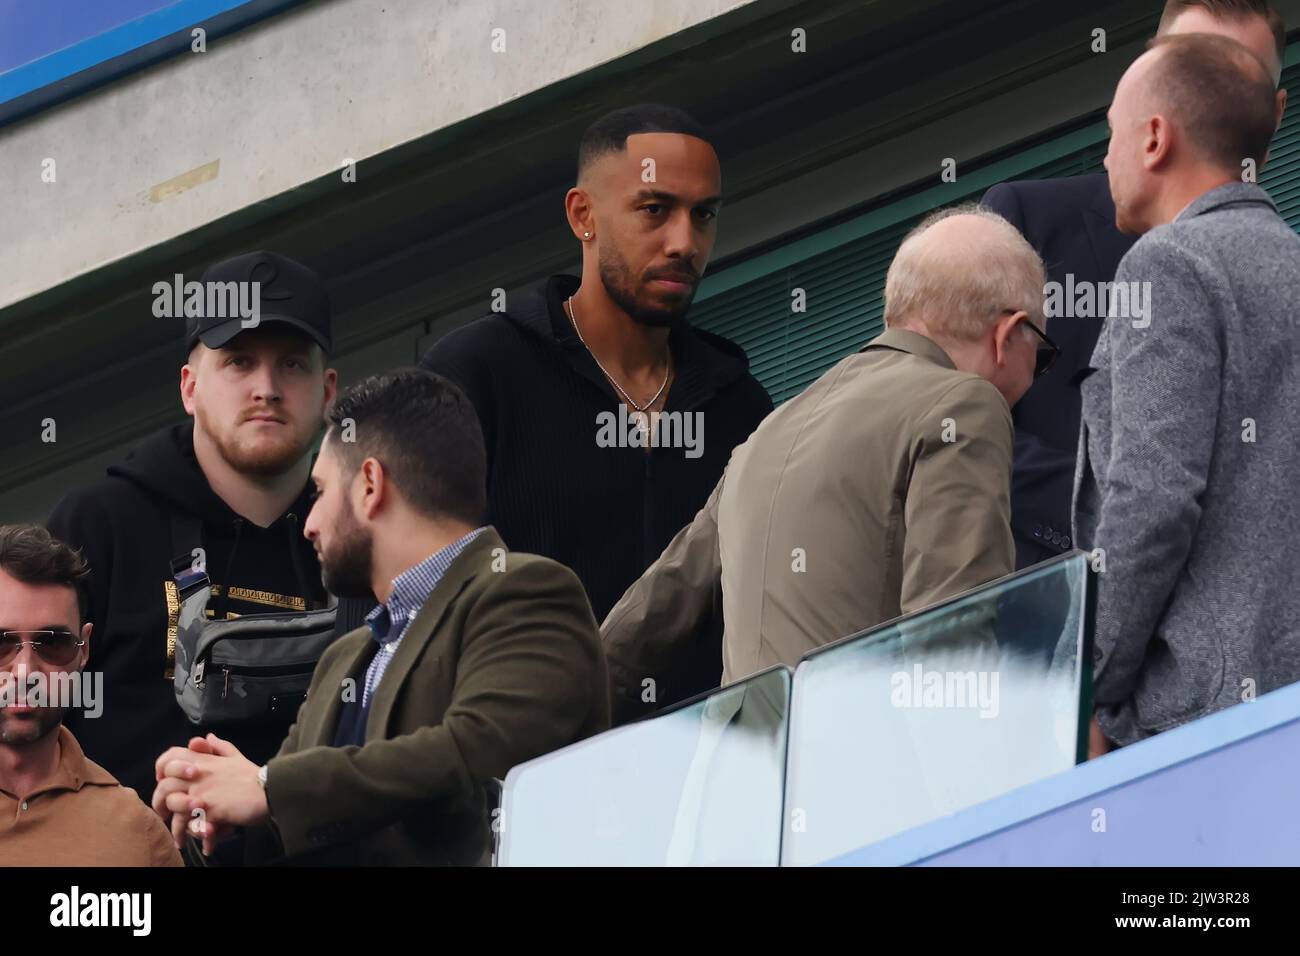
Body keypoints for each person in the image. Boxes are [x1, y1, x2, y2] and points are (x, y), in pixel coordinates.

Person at [331, 104, 772, 711]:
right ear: (582, 215)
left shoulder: (739, 406)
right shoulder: (477, 373)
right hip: (511, 776)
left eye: (704, 215)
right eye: (654, 209)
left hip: (703, 772)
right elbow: (376, 584)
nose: (684, 242)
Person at [603, 205, 1049, 724]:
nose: (1038, 377)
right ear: (1009, 332)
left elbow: (634, 632)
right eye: (1044, 355)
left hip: (728, 792)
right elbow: (950, 638)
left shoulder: (764, 437)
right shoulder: (964, 403)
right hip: (866, 785)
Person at [152, 369, 609, 865]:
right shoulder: (343, 659)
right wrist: (214, 810)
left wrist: (268, 785)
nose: (308, 525)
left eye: (320, 492)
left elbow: (477, 753)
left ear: (370, 484)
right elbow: (292, 820)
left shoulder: (526, 592)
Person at [983, 0, 1287, 570]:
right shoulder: (1027, 222)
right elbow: (964, 428)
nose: (1215, 93)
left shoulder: (1279, 276)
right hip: (1051, 604)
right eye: (1192, 66)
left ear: (1272, 109)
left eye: (1237, 73)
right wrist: (1106, 534)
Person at [46, 252, 337, 804]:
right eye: (239, 362)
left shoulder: (364, 532)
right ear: (189, 387)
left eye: (292, 364)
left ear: (328, 391)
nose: (267, 387)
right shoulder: (95, 525)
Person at [1076, 32, 1299, 748]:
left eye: (1109, 132)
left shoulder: (1165, 265)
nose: (1102, 157)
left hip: (1208, 732)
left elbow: (1152, 500)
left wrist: (1087, 690)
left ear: (1152, 139)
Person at [0, 524, 180, 866]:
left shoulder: (135, 831)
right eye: (0, 644)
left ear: (83, 649)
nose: (25, 672)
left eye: (52, 643)